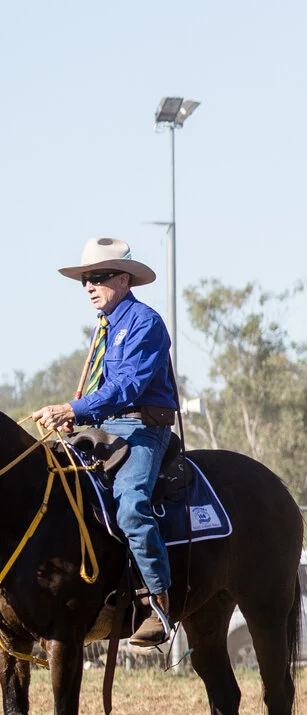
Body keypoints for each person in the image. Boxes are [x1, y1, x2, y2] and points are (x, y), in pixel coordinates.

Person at [29, 238, 183, 645]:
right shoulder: (104, 329)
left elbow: (129, 385)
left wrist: (74, 410)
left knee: (131, 506)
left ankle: (159, 603)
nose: (90, 287)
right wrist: (72, 418)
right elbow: (101, 392)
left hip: (143, 429)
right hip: (105, 428)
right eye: (85, 280)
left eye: (98, 278)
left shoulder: (144, 323)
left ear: (124, 278)